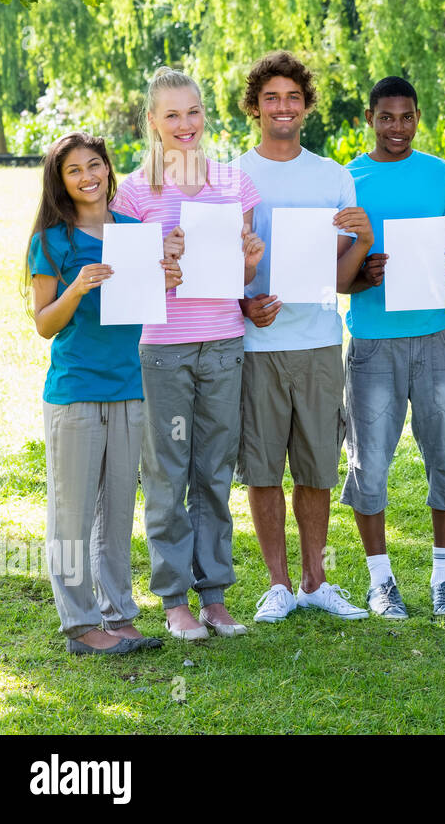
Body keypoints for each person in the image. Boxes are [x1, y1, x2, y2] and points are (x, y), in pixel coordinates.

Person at [112, 67, 263, 640]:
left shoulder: (234, 184)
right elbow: (126, 284)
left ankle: (216, 596)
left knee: (215, 471)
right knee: (168, 471)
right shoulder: (133, 190)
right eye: (171, 115)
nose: (184, 124)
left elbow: (244, 277)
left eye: (193, 112)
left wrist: (250, 259)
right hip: (165, 350)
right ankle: (173, 598)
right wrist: (158, 258)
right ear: (152, 121)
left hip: (224, 343)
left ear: (206, 114)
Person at [26, 132, 182, 654]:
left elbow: (139, 299)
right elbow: (45, 324)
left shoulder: (134, 232)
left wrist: (168, 278)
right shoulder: (52, 240)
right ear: (61, 181)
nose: (88, 176)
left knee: (116, 511)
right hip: (75, 389)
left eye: (94, 165)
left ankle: (118, 613)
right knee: (72, 513)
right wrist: (75, 287)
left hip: (128, 386)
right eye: (74, 170)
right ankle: (80, 625)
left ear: (108, 169)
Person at [235, 52, 375, 623]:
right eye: (271, 97)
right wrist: (243, 301)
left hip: (318, 340)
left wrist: (361, 242)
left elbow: (341, 282)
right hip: (256, 344)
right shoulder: (234, 176)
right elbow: (224, 264)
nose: (283, 107)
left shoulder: (332, 177)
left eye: (293, 96)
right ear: (255, 106)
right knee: (264, 468)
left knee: (317, 466)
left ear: (306, 104)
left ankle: (317, 581)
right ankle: (278, 583)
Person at [341, 76, 445, 617]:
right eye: (386, 117)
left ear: (418, 117)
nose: (397, 127)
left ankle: (444, 578)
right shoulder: (347, 181)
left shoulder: (444, 177)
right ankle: (381, 581)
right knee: (369, 465)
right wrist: (362, 273)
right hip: (374, 342)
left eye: (407, 117)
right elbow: (338, 277)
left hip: (436, 338)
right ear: (369, 118)